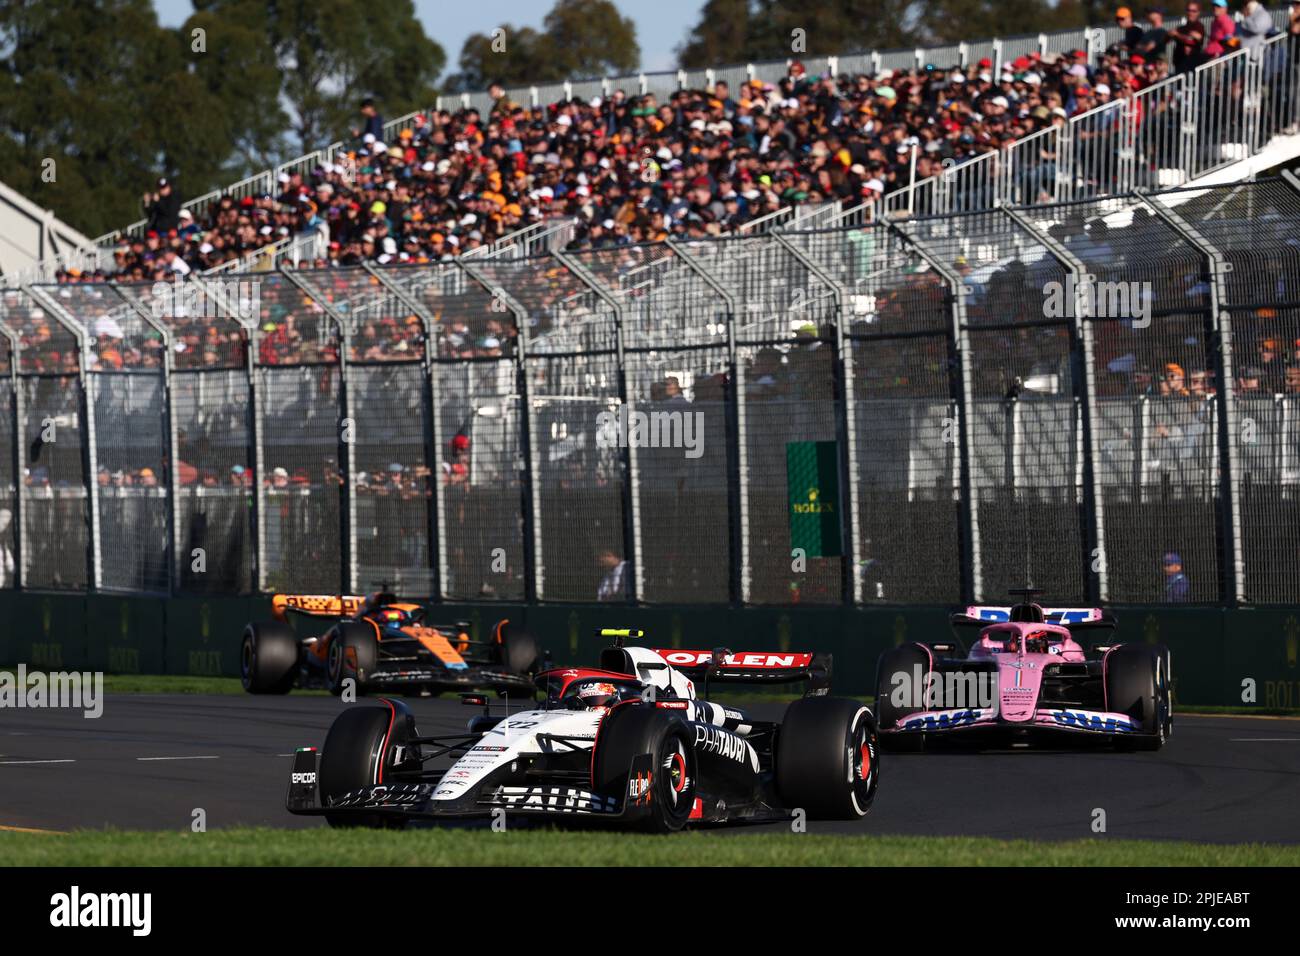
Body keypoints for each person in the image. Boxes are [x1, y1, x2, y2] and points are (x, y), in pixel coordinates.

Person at [1171, 2, 1207, 71]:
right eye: (1188, 10)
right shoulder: (1181, 28)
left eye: (1193, 11)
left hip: (1191, 66)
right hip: (1179, 64)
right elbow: (1165, 39)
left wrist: (1177, 35)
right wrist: (1170, 34)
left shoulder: (1199, 26)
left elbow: (1191, 41)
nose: (1190, 13)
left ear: (1198, 12)